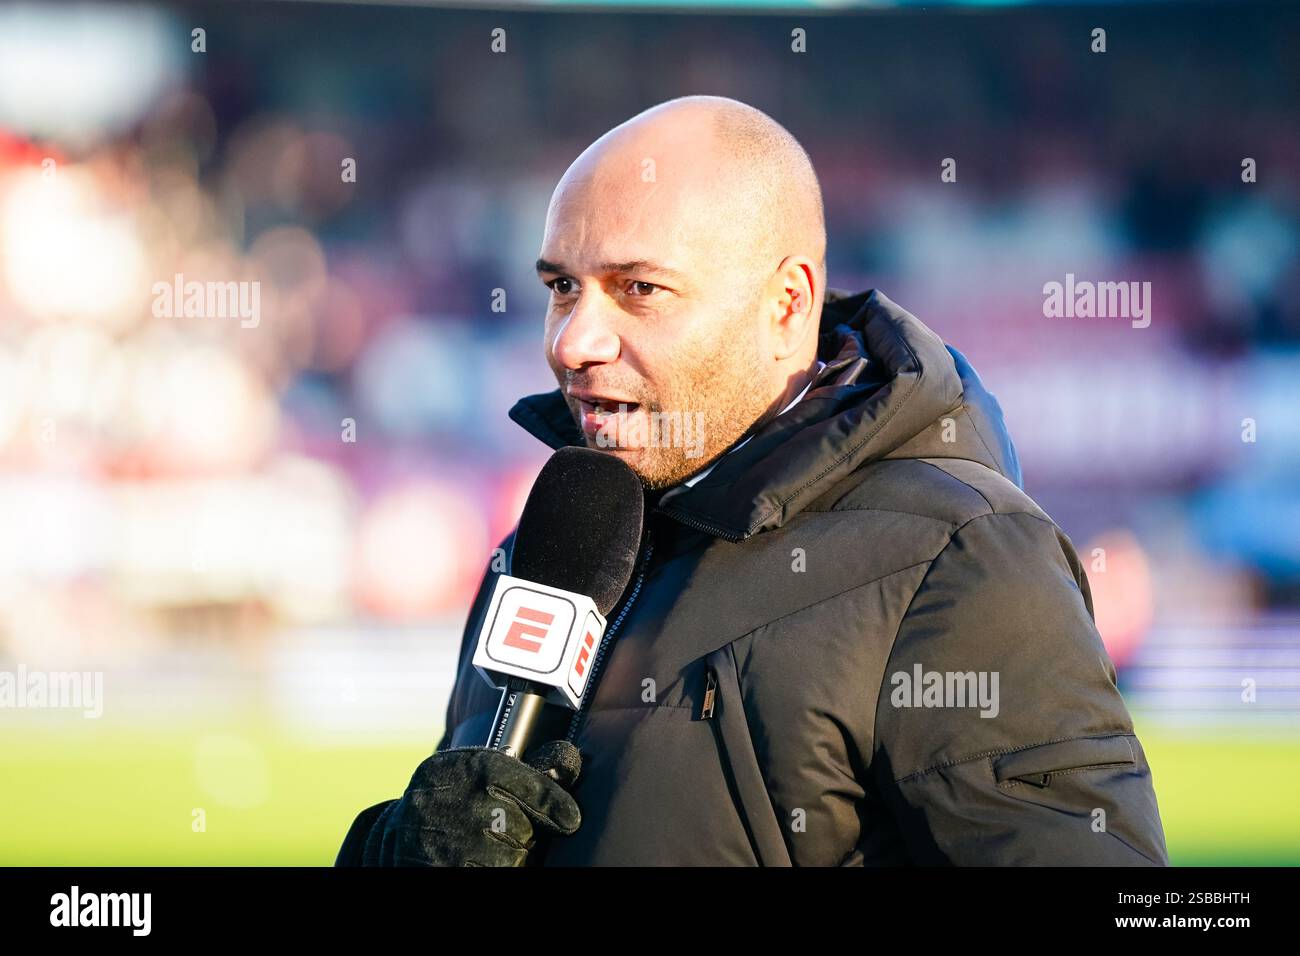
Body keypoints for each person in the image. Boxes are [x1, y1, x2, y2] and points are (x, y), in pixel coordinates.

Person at [336, 95, 1169, 866]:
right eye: (562, 287)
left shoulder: (959, 558)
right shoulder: (551, 547)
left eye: (640, 289)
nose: (572, 340)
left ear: (785, 305)